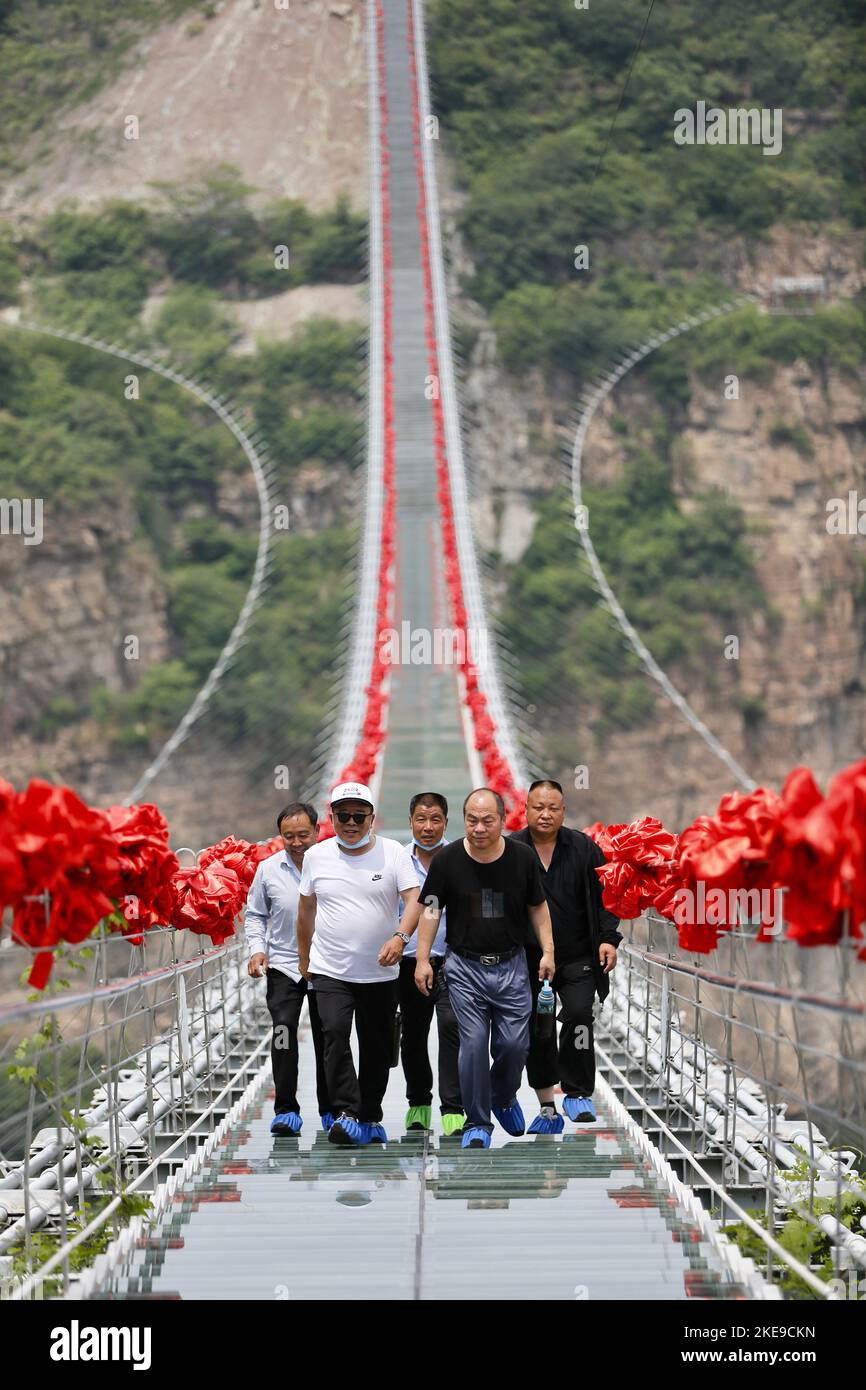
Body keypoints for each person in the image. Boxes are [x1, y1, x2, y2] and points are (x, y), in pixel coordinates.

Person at [395, 788, 555, 1150]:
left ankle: (503, 1095)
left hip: (512, 966)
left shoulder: (522, 858)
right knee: (472, 1045)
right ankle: (478, 1121)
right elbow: (431, 911)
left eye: (487, 820)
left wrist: (548, 951)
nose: (479, 828)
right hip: (464, 967)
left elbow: (538, 908)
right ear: (463, 820)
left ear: (502, 820)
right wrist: (421, 959)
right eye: (472, 820)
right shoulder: (448, 861)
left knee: (514, 1045)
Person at [296, 781, 420, 1147]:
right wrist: (305, 958)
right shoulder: (317, 856)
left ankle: (370, 1114)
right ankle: (346, 1112)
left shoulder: (392, 853)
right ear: (331, 818)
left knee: (378, 1045)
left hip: (379, 971)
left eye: (359, 816)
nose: (351, 823)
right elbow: (306, 909)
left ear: (372, 819)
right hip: (330, 969)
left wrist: (400, 938)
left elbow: (415, 899)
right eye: (343, 816)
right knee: (334, 1035)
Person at [511, 780, 622, 1131]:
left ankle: (577, 1093)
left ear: (563, 811)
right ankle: (547, 1105)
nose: (545, 814)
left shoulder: (583, 848)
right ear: (526, 809)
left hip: (577, 956)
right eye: (538, 807)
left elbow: (609, 892)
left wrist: (608, 938)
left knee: (578, 1015)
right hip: (529, 958)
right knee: (539, 1028)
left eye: (553, 808)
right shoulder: (511, 849)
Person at [245, 801, 332, 1136]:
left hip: (326, 964)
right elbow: (255, 915)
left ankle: (331, 1109)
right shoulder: (268, 869)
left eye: (303, 835)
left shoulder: (332, 864)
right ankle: (286, 1110)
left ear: (317, 831)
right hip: (284, 965)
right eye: (288, 836)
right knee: (283, 1032)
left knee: (329, 1036)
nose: (297, 843)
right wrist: (257, 950)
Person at [395, 792, 464, 1137]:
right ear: (410, 822)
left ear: (446, 823)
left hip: (454, 961)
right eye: (421, 819)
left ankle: (453, 1107)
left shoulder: (460, 856)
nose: (427, 827)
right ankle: (418, 1103)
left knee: (452, 1029)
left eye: (435, 819)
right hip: (409, 963)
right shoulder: (397, 860)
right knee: (413, 1034)